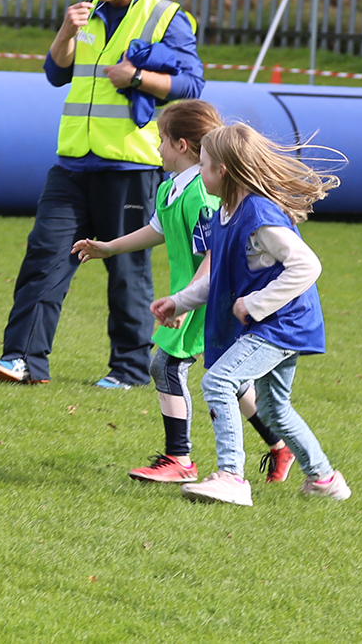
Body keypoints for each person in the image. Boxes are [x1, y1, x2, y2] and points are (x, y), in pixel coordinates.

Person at [0, 0, 206, 389]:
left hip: (129, 164)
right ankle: (23, 359)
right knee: (44, 256)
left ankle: (127, 369)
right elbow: (55, 73)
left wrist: (138, 76)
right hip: (72, 163)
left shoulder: (166, 16)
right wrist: (66, 30)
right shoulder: (87, 14)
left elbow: (192, 86)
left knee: (126, 270)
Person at [72, 101, 294, 484]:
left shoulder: (201, 195)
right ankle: (279, 445)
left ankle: (179, 458)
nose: (156, 148)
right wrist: (108, 247)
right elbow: (158, 230)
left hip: (207, 300)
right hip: (193, 298)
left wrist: (187, 300)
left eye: (160, 139)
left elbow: (215, 252)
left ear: (181, 145)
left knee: (166, 365)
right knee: (233, 379)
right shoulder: (169, 190)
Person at [152, 123, 350, 506]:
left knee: (219, 382)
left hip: (282, 323)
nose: (200, 171)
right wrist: (180, 301)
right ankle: (324, 479)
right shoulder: (226, 212)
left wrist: (257, 303)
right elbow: (221, 276)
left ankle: (231, 477)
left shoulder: (259, 214)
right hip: (276, 323)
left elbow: (307, 266)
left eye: (204, 165)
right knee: (275, 407)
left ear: (222, 172)